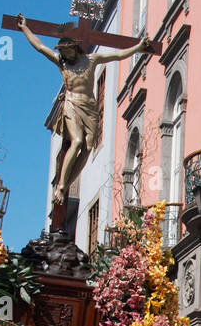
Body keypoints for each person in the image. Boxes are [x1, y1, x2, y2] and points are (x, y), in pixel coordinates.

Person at [17, 15, 154, 205]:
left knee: (88, 147)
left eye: (67, 51)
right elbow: (40, 47)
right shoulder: (61, 62)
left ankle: (66, 183)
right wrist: (25, 28)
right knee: (78, 141)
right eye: (62, 52)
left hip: (89, 106)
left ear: (74, 48)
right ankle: (62, 185)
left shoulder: (91, 59)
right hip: (72, 104)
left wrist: (138, 47)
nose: (64, 55)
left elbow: (118, 55)